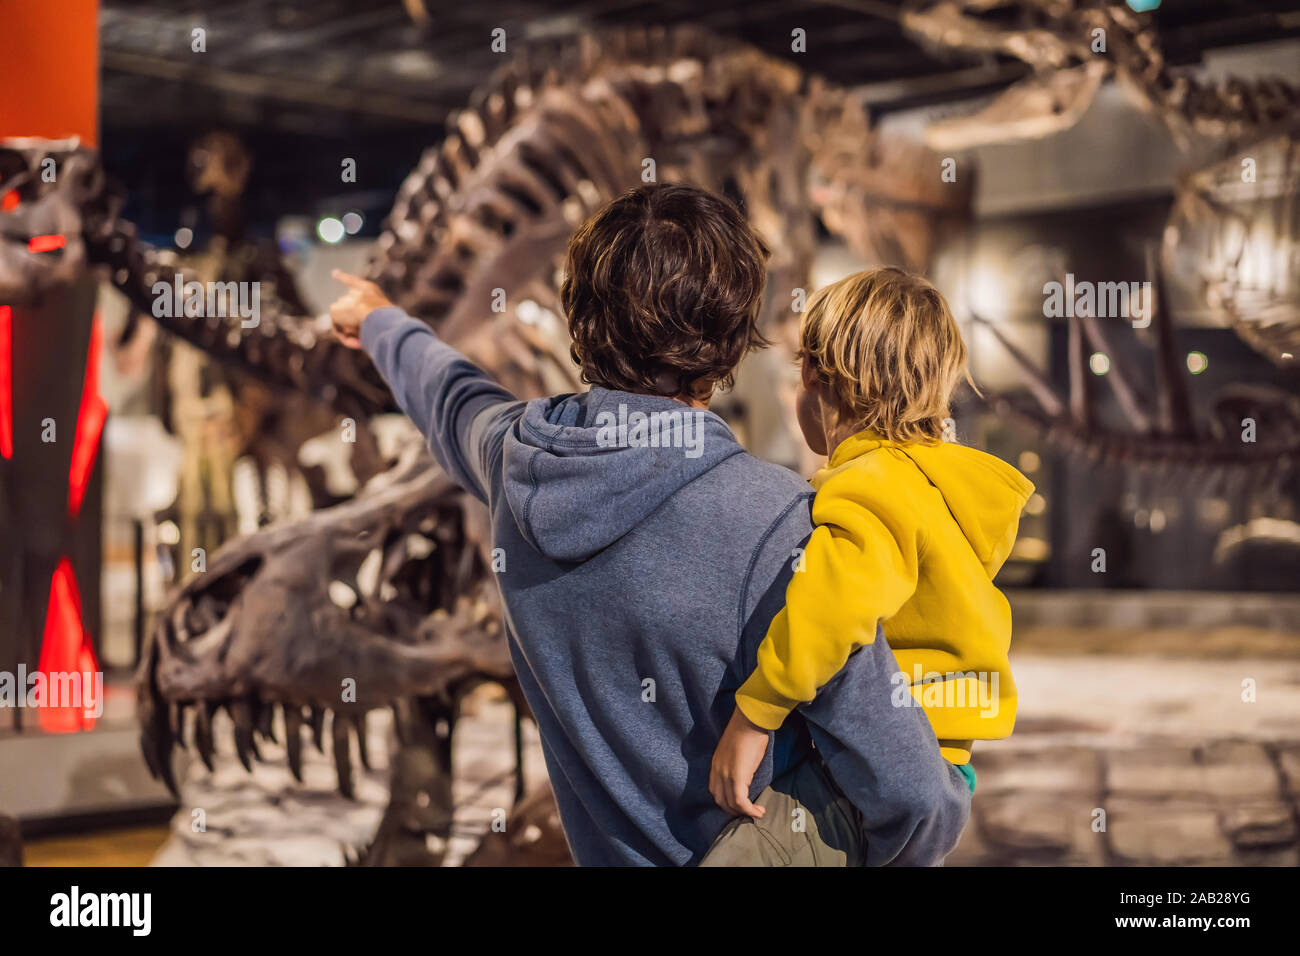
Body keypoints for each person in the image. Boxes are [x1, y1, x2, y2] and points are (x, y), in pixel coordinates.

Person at [328, 183, 970, 866]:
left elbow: (448, 395)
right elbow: (917, 797)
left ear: (579, 315)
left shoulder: (513, 460)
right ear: (732, 340)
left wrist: (381, 323)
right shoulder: (785, 527)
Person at [709, 267, 1032, 831]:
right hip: (947, 752)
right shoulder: (938, 483)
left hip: (882, 761)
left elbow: (832, 607)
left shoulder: (873, 485)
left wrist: (754, 714)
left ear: (813, 376)